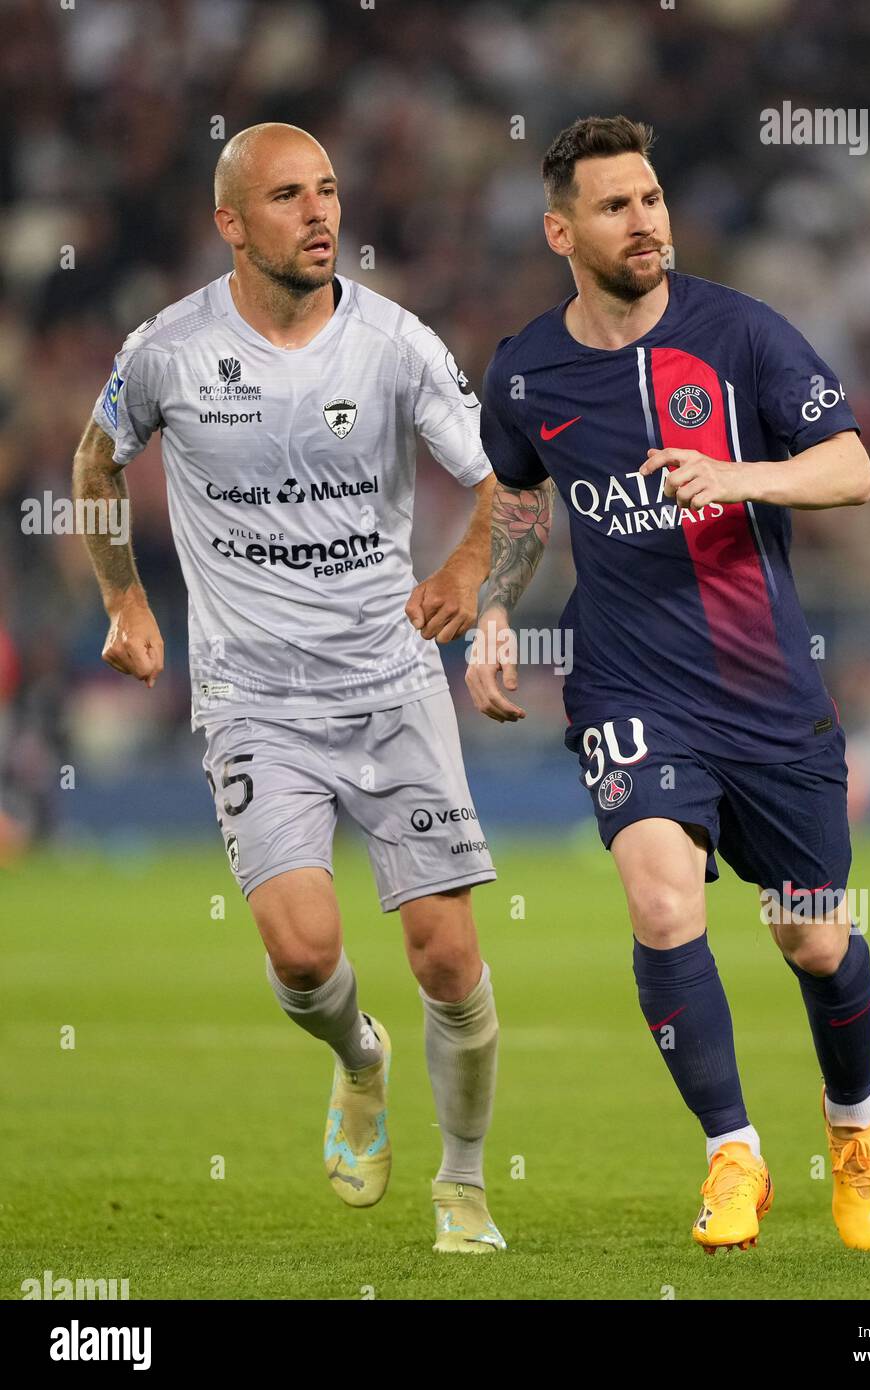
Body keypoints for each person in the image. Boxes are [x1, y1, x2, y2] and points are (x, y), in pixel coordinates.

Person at [74, 122, 505, 1254]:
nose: (320, 215)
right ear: (230, 223)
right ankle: (360, 1058)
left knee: (448, 956)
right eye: (286, 197)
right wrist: (125, 600)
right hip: (253, 698)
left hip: (391, 683)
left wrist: (466, 567)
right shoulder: (169, 351)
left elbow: (508, 478)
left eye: (327, 192)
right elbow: (95, 456)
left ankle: (462, 1182)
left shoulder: (395, 344)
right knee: (306, 950)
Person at [468, 115, 870, 1253]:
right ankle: (733, 1155)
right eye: (615, 205)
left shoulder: (742, 333)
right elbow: (518, 500)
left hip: (770, 697)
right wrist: (499, 603)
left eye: (651, 198)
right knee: (663, 901)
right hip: (630, 690)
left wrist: (737, 475)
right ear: (562, 230)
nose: (645, 219)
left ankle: (853, 1124)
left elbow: (851, 467)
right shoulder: (524, 372)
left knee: (813, 940)